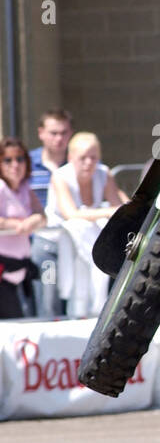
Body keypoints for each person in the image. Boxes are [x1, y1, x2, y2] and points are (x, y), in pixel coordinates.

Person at [46, 132, 128, 316]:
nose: (89, 163)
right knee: (49, 299)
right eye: (83, 157)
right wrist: (106, 212)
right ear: (70, 158)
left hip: (87, 245)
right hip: (51, 247)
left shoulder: (103, 173)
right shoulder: (60, 177)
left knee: (94, 285)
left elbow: (119, 207)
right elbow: (71, 214)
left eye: (93, 157)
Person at [27, 109, 73, 318]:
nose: (59, 139)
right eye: (53, 133)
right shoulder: (23, 164)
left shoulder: (79, 161)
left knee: (76, 298)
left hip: (73, 243)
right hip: (41, 244)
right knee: (47, 298)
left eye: (63, 133)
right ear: (41, 133)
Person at [0, 138, 46, 319]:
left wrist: (34, 220)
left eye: (20, 159)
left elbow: (41, 215)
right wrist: (13, 224)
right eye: (8, 160)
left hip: (19, 274)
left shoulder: (25, 189)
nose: (15, 165)